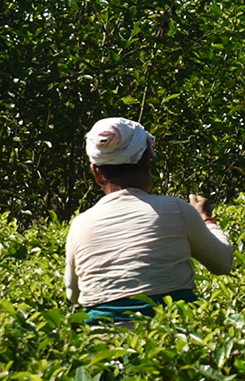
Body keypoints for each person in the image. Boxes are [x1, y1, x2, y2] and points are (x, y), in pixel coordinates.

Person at [64, 117, 235, 324]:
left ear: (97, 173)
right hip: (172, 334)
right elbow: (223, 263)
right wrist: (206, 218)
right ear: (146, 162)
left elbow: (73, 294)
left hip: (102, 338)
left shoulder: (80, 224)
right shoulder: (177, 209)